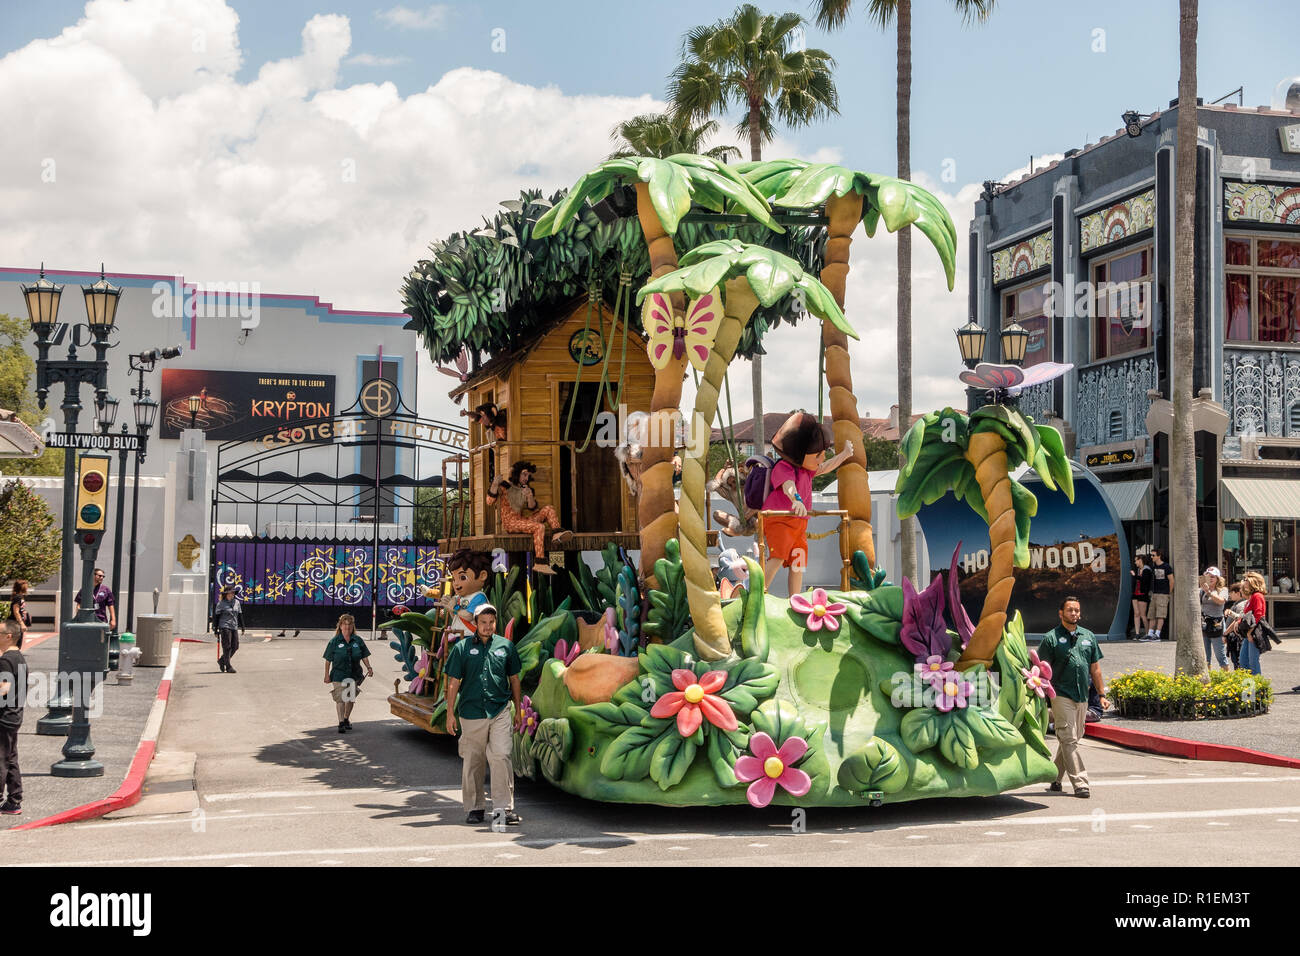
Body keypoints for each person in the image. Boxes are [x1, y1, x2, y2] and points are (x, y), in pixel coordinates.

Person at [444, 604, 522, 826]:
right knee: (473, 761)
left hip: (499, 710)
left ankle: (503, 809)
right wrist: (450, 714)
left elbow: (514, 679)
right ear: (476, 624)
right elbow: (453, 683)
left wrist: (519, 709)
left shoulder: (506, 646)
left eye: (491, 622)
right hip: (471, 713)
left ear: (495, 623)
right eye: (483, 623)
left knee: (501, 756)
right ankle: (475, 807)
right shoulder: (462, 648)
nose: (488, 627)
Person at [761, 411, 854, 597]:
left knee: (798, 562)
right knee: (778, 557)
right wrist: (796, 499)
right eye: (817, 455)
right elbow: (788, 486)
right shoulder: (784, 467)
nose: (822, 459)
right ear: (799, 454)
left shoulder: (806, 470)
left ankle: (794, 598)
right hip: (780, 520)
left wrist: (844, 455)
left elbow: (825, 468)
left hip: (798, 524)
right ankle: (758, 592)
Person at [1035, 596, 1107, 799]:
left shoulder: (1088, 636)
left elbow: (1096, 669)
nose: (1074, 613)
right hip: (1060, 695)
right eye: (1069, 610)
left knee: (1071, 739)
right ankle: (1080, 783)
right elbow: (1041, 669)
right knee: (1068, 737)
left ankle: (1055, 778)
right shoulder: (1051, 638)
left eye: (1076, 610)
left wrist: (1101, 695)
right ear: (1061, 613)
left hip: (1082, 695)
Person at [489, 461, 572, 575]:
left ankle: (557, 534)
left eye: (528, 475)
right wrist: (494, 484)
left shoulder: (526, 489)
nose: (526, 478)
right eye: (524, 474)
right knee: (539, 527)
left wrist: (529, 496)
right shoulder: (505, 487)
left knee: (549, 508)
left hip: (521, 520)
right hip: (510, 523)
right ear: (517, 474)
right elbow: (489, 501)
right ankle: (540, 563)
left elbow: (532, 508)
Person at [322, 613, 373, 734]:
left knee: (349, 698)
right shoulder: (334, 642)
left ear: (353, 627)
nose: (347, 628)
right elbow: (328, 660)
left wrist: (369, 667)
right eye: (345, 625)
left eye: (350, 625)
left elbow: (364, 655)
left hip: (354, 673)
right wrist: (326, 675)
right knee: (340, 698)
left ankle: (346, 719)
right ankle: (340, 723)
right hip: (339, 674)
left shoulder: (357, 640)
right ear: (340, 626)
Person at [0, 619, 26, 815]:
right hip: (15, 715)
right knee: (10, 758)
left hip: (3, 717)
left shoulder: (5, 660)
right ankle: (14, 800)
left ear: (8, 636)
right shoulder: (20, 658)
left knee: (1, 759)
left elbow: (4, 688)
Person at [1237, 571, 1269, 675]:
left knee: (1253, 662)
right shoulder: (1252, 597)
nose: (1244, 582)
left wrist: (1250, 632)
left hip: (1255, 632)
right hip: (1249, 633)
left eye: (1246, 579)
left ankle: (1257, 689)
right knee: (1243, 661)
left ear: (1252, 581)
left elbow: (1258, 615)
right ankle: (1249, 688)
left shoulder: (1257, 596)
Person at [1199, 567, 1230, 669]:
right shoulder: (1202, 591)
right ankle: (1207, 679)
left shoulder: (1223, 590)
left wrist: (1209, 592)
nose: (1210, 579)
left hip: (1217, 624)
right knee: (1205, 657)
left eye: (1212, 577)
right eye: (1208, 577)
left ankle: (1226, 679)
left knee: (1220, 655)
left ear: (1218, 578)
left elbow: (1221, 601)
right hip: (1204, 623)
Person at [212, 584, 245, 673]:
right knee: (227, 647)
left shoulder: (237, 602)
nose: (232, 594)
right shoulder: (221, 604)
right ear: (226, 594)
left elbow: (240, 614)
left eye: (233, 593)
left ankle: (222, 661)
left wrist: (243, 627)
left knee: (235, 646)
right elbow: (217, 617)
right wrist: (216, 630)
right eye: (230, 593)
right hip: (224, 626)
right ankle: (228, 666)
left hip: (234, 626)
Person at [1143, 548, 1173, 641]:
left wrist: (1168, 592)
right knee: (1151, 614)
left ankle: (1157, 634)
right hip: (1155, 593)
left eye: (1153, 555)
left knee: (1161, 615)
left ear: (1159, 556)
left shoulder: (1166, 567)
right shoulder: (1153, 567)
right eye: (1151, 555)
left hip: (1163, 593)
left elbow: (1171, 580)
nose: (1151, 557)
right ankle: (1150, 633)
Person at [73, 568, 116, 632]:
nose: (102, 578)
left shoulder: (105, 589)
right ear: (93, 575)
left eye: (103, 576)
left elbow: (110, 605)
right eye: (100, 576)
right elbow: (79, 605)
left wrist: (113, 619)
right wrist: (78, 617)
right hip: (87, 621)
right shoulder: (85, 589)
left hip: (101, 620)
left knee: (101, 640)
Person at [1223, 582, 1247, 669]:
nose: (1230, 594)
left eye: (1231, 592)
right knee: (1237, 661)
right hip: (1234, 636)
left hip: (1236, 637)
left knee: (1237, 661)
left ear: (1237, 593)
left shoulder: (1241, 605)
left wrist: (1225, 633)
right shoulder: (1236, 604)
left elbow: (1237, 621)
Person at [1129, 555, 1152, 640]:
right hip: (1135, 593)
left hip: (1143, 594)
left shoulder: (1147, 570)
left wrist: (1135, 575)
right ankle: (1137, 633)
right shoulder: (1138, 570)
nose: (1135, 562)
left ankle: (1147, 633)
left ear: (1140, 560)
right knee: (1136, 613)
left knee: (1143, 614)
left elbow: (1144, 581)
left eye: (1136, 560)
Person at [6, 581, 31, 649]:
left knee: (16, 644)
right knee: (16, 645)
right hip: (15, 624)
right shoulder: (18, 598)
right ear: (23, 588)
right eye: (26, 587)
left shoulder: (19, 597)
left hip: (16, 623)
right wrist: (22, 624)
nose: (27, 588)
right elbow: (16, 612)